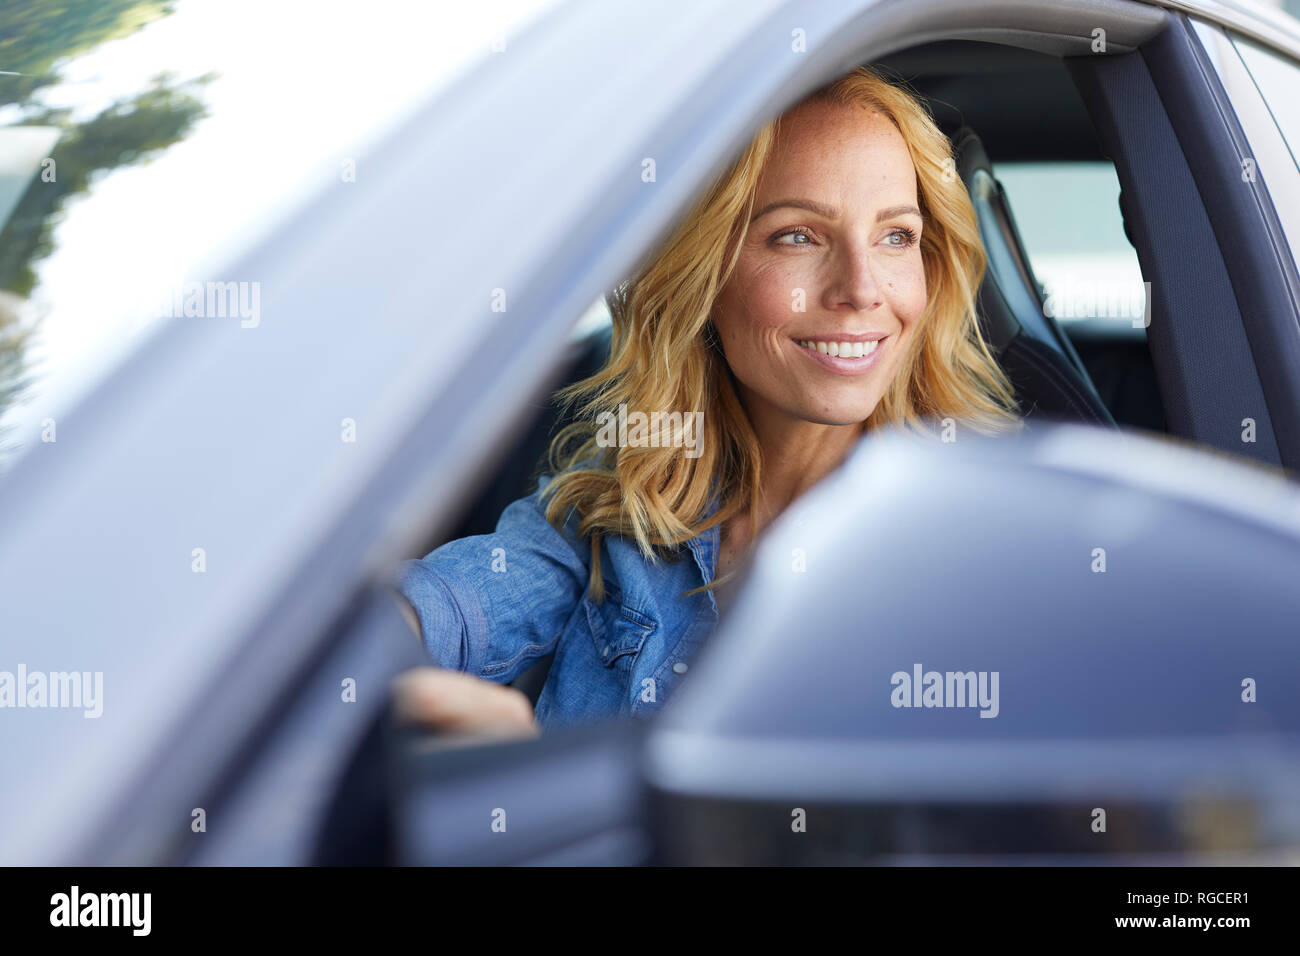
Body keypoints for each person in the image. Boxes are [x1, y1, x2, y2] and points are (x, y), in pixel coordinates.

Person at [391, 65, 1022, 740]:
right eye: (798, 236)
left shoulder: (980, 551)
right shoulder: (618, 510)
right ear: (705, 277)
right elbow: (440, 609)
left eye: (896, 235)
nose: (861, 289)